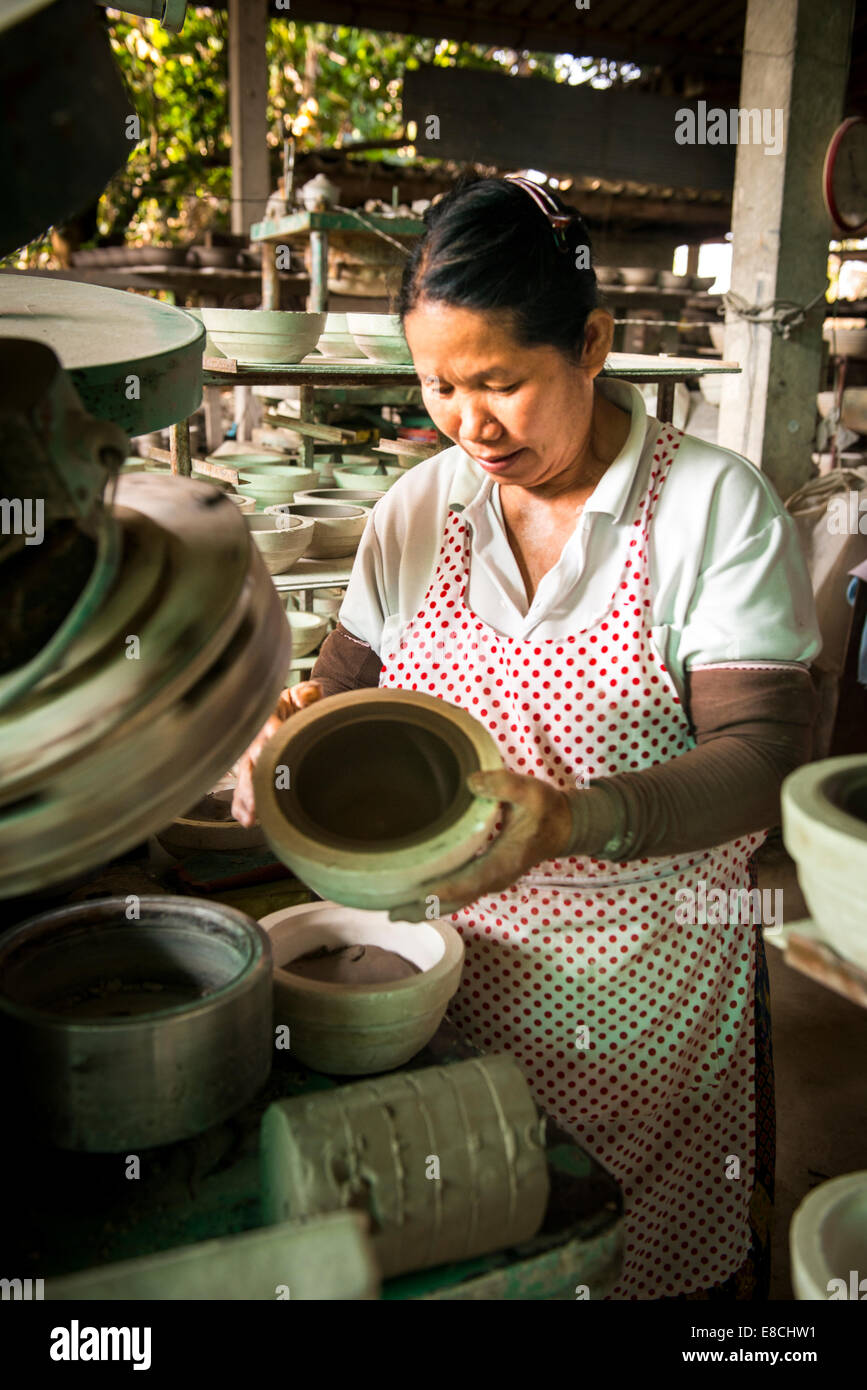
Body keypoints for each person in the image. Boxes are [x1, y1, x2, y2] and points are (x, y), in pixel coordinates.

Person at [233, 175, 820, 1300]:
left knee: (632, 1263)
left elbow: (762, 762)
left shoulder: (709, 509)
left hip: (645, 1002)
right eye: (439, 386)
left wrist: (572, 820)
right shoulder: (418, 509)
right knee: (486, 1255)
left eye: (500, 381)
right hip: (437, 988)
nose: (469, 423)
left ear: (592, 341)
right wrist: (287, 722)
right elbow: (343, 694)